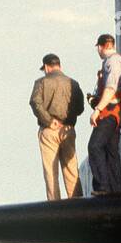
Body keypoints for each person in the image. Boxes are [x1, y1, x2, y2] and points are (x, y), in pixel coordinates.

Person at [30, 53, 85, 200]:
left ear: (47, 67)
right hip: (68, 130)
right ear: (59, 66)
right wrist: (66, 119)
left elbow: (35, 103)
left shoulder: (41, 82)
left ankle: (55, 207)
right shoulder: (73, 83)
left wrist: (49, 121)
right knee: (71, 170)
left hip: (49, 131)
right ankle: (77, 203)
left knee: (51, 172)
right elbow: (80, 108)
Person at [87, 34, 121, 196]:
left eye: (98, 47)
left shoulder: (113, 62)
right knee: (111, 150)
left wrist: (97, 110)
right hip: (114, 111)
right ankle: (114, 189)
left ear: (101, 47)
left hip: (110, 111)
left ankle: (103, 186)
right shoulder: (116, 61)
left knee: (94, 146)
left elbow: (111, 88)